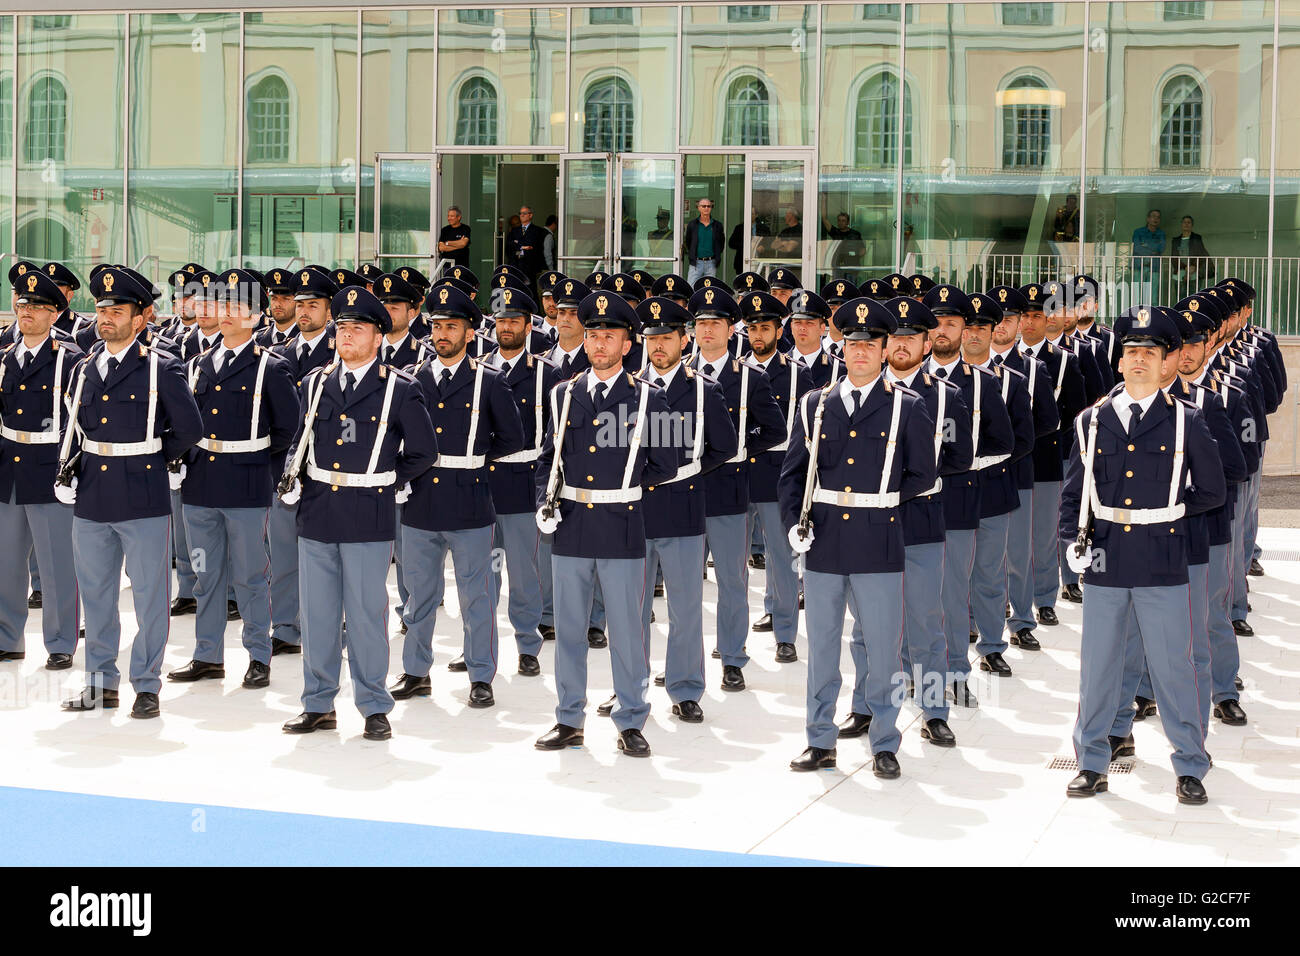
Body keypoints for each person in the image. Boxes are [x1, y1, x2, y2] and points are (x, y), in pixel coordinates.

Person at [1060, 305, 1225, 805]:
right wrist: (1072, 539)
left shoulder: (1187, 422)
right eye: (1131, 352)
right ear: (1119, 361)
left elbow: (1213, 491)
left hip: (1162, 559)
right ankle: (1091, 761)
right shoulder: (1091, 422)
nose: (1138, 361)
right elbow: (1074, 494)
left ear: (1166, 362)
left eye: (1149, 353)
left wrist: (1168, 515)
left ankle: (1190, 765)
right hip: (1106, 558)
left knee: (1173, 667)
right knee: (1098, 666)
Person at [779, 296, 937, 774]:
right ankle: (820, 740)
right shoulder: (816, 404)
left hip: (878, 538)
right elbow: (792, 474)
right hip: (824, 539)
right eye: (852, 344)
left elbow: (923, 474)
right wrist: (794, 525)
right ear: (841, 347)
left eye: (870, 345)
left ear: (886, 348)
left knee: (884, 647)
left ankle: (884, 742)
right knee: (822, 647)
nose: (861, 353)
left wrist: (881, 502)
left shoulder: (907, 407)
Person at [279, 286, 439, 741]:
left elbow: (423, 451)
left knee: (367, 614)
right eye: (342, 328)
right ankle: (318, 703)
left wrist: (388, 480)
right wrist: (294, 477)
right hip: (317, 512)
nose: (347, 336)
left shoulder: (400, 389)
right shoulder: (315, 383)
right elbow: (301, 438)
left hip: (367, 513)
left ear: (378, 337)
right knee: (318, 613)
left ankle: (372, 705)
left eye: (358, 329)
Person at [533, 292, 676, 757]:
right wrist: (546, 501)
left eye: (608, 336)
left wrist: (624, 490)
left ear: (627, 344)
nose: (598, 344)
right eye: (593, 335)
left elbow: (665, 463)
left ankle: (631, 717)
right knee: (570, 630)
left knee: (626, 631)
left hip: (621, 523)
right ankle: (568, 717)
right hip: (571, 523)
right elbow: (547, 459)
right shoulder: (563, 393)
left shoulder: (650, 398)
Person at [59, 266, 204, 719]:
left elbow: (190, 428)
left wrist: (154, 460)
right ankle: (100, 682)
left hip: (143, 492)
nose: (105, 318)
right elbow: (76, 428)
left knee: (149, 595)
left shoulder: (162, 367)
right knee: (98, 593)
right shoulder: (84, 368)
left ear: (140, 318)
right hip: (93, 494)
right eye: (101, 310)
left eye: (117, 311)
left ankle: (146, 683)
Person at [390, 284, 524, 709]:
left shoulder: (490, 380)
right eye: (437, 326)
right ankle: (415, 672)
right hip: (421, 501)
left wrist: (475, 461)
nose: (442, 333)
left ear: (470, 333)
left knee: (477, 596)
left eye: (452, 326)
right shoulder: (413, 379)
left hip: (470, 501)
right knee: (418, 595)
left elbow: (513, 437)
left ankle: (481, 675)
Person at [168, 270, 299, 691]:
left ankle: (258, 654)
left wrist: (260, 467)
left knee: (249, 575)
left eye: (236, 307)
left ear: (257, 316)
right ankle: (207, 655)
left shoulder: (271, 368)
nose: (225, 315)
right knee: (206, 575)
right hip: (201, 485)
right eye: (222, 306)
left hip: (246, 485)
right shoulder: (197, 365)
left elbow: (286, 431)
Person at [617, 296, 736, 722]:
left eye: (667, 338)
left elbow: (725, 445)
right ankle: (628, 688)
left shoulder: (706, 389)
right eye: (652, 339)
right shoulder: (625, 386)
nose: (659, 346)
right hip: (634, 510)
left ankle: (685, 688)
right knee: (630, 608)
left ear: (684, 340)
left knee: (685, 607)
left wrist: (688, 471)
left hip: (684, 509)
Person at [687, 287, 785, 690]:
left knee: (731, 579)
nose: (707, 331)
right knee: (684, 584)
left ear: (732, 330)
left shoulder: (749, 377)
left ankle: (732, 657)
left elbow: (776, 430)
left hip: (728, 489)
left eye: (715, 324)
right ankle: (683, 660)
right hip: (681, 492)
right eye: (701, 324)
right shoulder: (675, 374)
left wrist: (741, 445)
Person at [0, 270, 86, 670]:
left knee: (57, 566)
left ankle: (60, 641)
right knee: (7, 563)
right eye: (22, 305)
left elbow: (82, 420)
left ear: (55, 313)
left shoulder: (70, 359)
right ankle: (8, 638)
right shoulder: (4, 358)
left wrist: (73, 470)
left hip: (50, 469)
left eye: (37, 307)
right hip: (8, 471)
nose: (27, 312)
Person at [482, 288, 561, 677]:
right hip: (480, 485)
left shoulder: (547, 373)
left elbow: (557, 432)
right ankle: (478, 645)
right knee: (480, 573)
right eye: (501, 321)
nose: (507, 327)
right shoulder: (479, 367)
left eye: (514, 320)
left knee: (524, 571)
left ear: (529, 326)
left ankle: (527, 644)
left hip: (524, 483)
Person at [267, 268, 340, 656]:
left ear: (330, 311)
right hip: (285, 470)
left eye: (314, 305)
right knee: (282, 553)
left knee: (330, 556)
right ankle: (285, 626)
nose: (304, 312)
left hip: (330, 471)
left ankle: (333, 626)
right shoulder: (278, 352)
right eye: (300, 305)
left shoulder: (341, 352)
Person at [746, 292, 816, 657]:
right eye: (753, 327)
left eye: (765, 327)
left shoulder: (797, 374)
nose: (758, 334)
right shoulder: (737, 371)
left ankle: (786, 633)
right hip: (739, 475)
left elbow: (807, 430)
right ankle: (738, 636)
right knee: (735, 566)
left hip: (778, 472)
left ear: (779, 330)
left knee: (783, 557)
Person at [683, 198, 725, 286]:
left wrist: (716, 255)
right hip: (696, 263)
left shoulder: (717, 225)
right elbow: (688, 242)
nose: (706, 208)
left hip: (711, 263)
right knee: (691, 287)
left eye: (709, 206)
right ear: (699, 208)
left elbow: (721, 243)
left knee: (709, 289)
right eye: (704, 206)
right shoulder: (692, 224)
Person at [1168, 216, 1212, 295]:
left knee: (1194, 298)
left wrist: (1193, 267)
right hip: (1179, 273)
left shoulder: (1197, 238)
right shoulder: (1176, 240)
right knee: (1180, 298)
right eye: (1184, 222)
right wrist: (1185, 268)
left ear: (1192, 225)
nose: (1186, 224)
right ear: (1181, 224)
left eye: (1189, 222)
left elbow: (1201, 254)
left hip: (1195, 273)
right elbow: (1174, 257)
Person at [506, 206, 549, 286]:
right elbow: (509, 247)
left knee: (531, 293)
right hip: (516, 267)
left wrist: (517, 244)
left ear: (530, 215)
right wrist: (522, 247)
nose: (522, 215)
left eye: (524, 213)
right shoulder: (514, 231)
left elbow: (536, 248)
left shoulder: (538, 231)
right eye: (520, 213)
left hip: (531, 269)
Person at [1131, 209, 1166, 302]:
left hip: (1154, 268)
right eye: (1153, 216)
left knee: (1153, 297)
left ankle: (1152, 316)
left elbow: (1161, 248)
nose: (1156, 219)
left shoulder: (1161, 234)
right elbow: (1137, 248)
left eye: (1158, 217)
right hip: (1139, 267)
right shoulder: (1138, 232)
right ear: (1148, 219)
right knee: (1137, 296)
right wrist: (1153, 250)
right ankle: (1136, 316)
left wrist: (1145, 246)